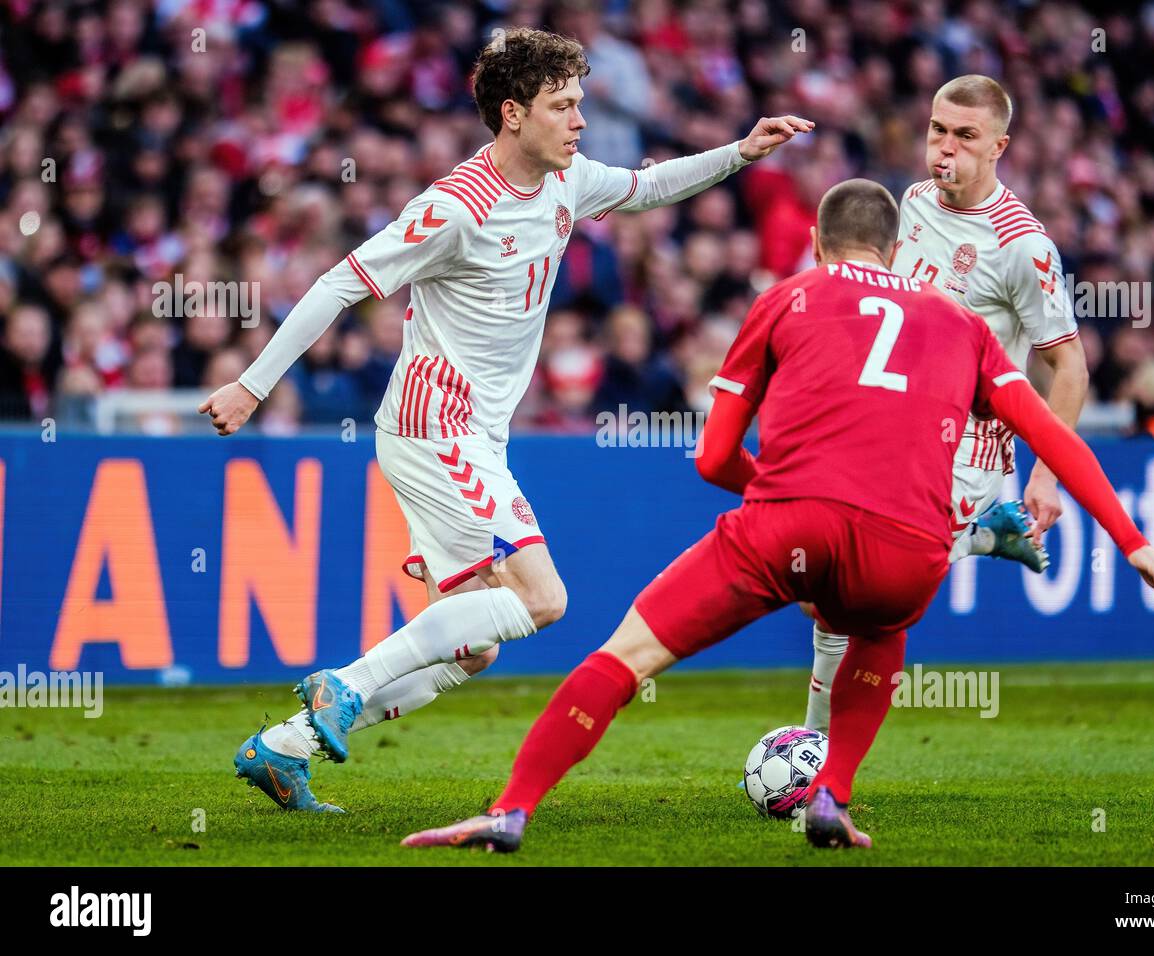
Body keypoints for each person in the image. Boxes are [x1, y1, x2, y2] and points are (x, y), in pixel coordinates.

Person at [400, 179, 1154, 853]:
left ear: (821, 246)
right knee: (879, 625)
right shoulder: (965, 326)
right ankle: (830, 796)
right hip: (907, 546)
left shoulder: (788, 299)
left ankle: (510, 809)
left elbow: (714, 458)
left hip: (786, 528)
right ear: (899, 251)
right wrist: (1137, 543)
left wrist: (785, 495)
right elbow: (1055, 436)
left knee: (626, 657)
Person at [201, 26, 813, 812]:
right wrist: (252, 386)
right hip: (435, 424)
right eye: (564, 106)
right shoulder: (456, 207)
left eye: (581, 103)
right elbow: (339, 284)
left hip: (473, 432)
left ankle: (284, 746)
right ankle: (341, 689)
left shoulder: (568, 180)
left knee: (474, 646)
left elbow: (646, 187)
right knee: (543, 599)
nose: (581, 121)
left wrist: (739, 152)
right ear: (514, 113)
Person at [802, 75, 1091, 734]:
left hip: (966, 451)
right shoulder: (913, 202)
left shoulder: (1023, 246)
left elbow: (1069, 366)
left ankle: (815, 762)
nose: (944, 149)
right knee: (827, 598)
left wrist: (1048, 474)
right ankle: (989, 531)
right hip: (890, 435)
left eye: (964, 137)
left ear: (999, 146)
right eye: (938, 131)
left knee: (858, 594)